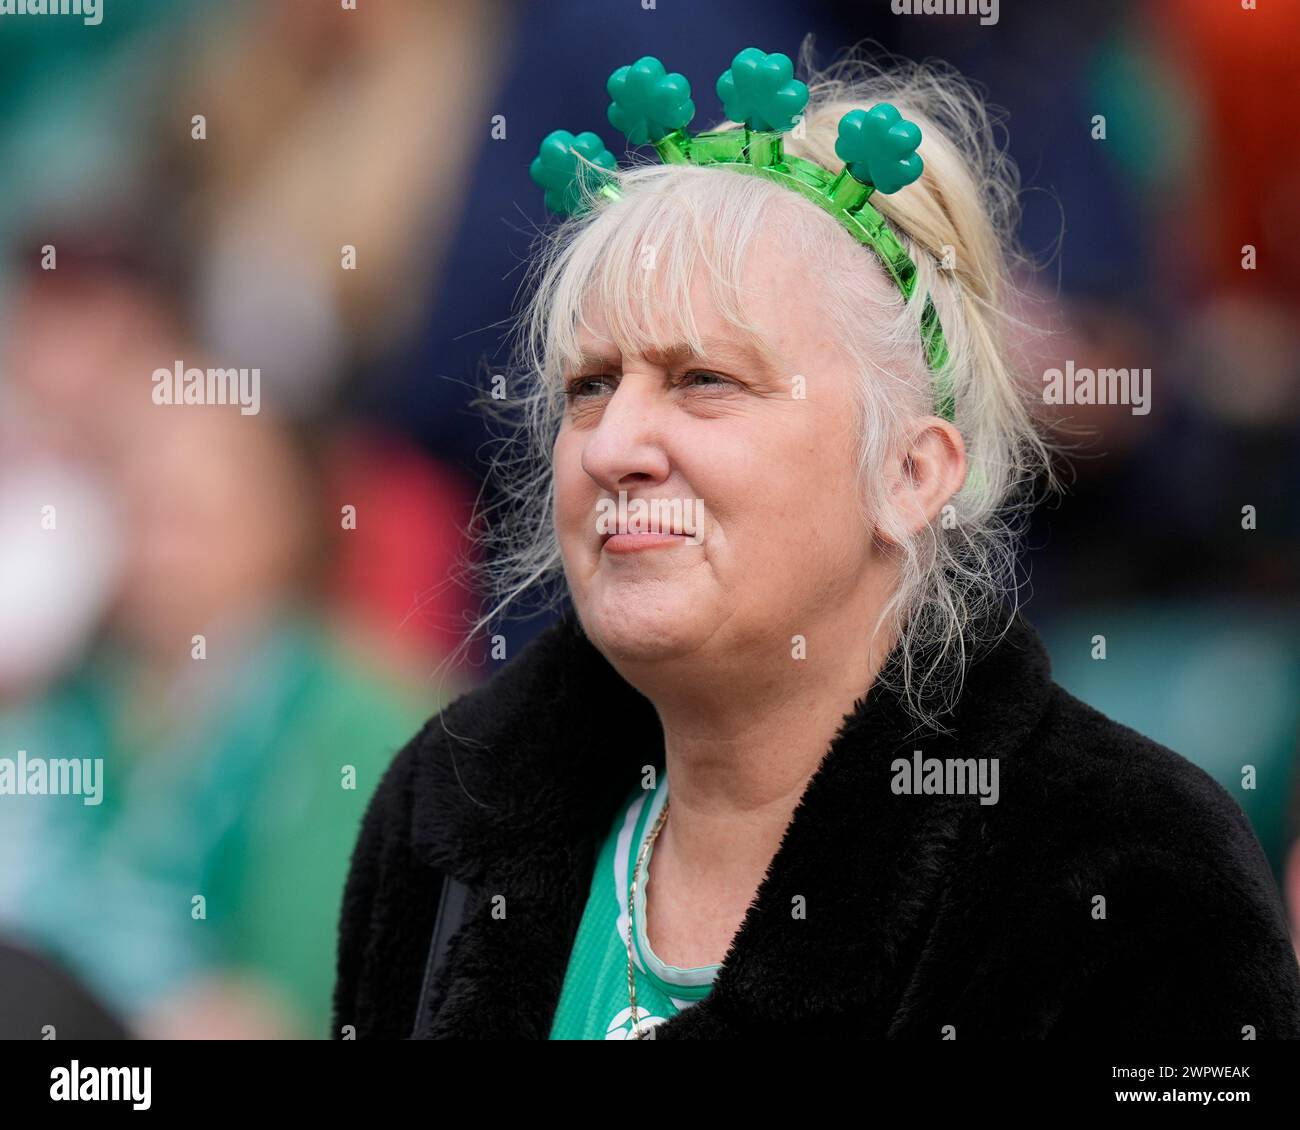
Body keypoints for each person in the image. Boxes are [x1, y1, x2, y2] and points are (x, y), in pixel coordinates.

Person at [332, 44, 1300, 1039]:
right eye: (590, 386)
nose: (612, 446)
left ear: (911, 474)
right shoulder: (444, 817)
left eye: (705, 380)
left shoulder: (1129, 876)